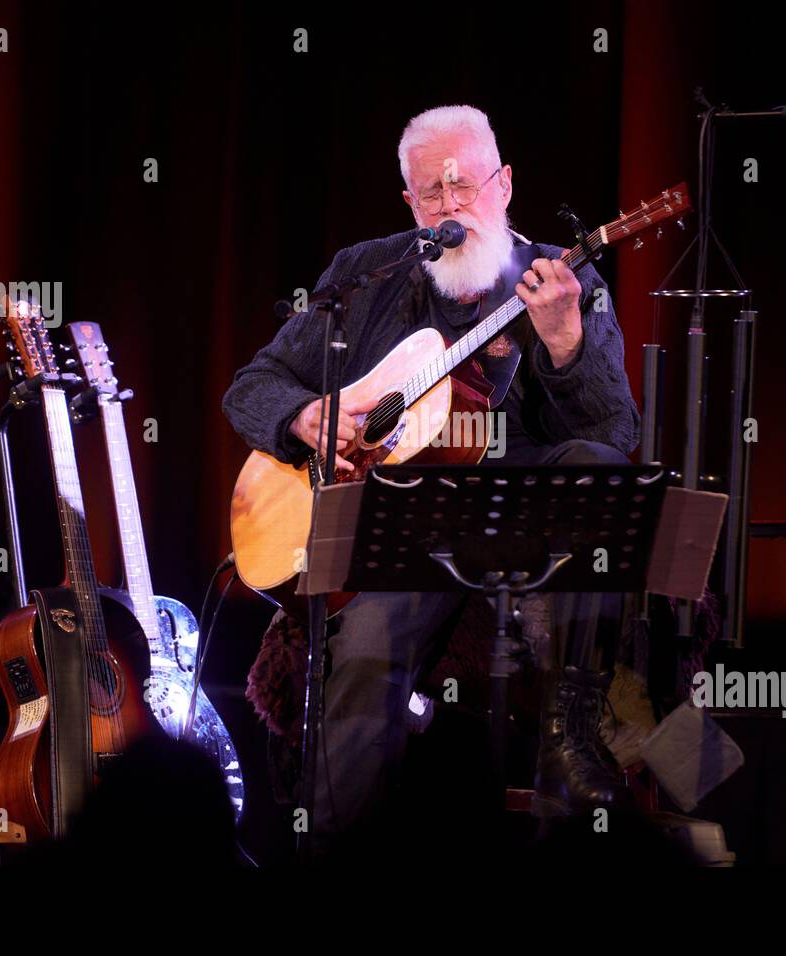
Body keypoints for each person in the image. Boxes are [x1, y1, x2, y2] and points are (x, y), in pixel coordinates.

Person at [223, 105, 641, 850]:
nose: (452, 207)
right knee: (362, 664)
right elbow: (251, 384)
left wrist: (567, 344)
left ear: (504, 185)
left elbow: (613, 437)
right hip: (406, 525)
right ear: (411, 206)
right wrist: (305, 415)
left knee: (595, 469)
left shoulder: (563, 277)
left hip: (520, 505)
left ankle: (567, 740)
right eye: (431, 194)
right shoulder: (364, 273)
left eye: (465, 187)